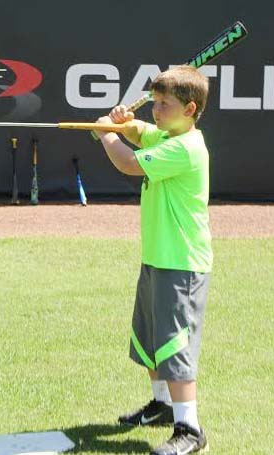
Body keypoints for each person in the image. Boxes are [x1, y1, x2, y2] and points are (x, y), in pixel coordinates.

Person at [92, 65, 213, 455]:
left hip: (182, 264)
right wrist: (124, 124)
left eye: (164, 105)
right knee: (151, 340)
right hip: (158, 258)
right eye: (155, 102)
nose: (156, 110)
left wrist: (108, 136)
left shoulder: (186, 147)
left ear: (190, 109)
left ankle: (190, 430)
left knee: (175, 346)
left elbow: (128, 162)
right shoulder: (168, 133)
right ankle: (162, 406)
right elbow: (142, 132)